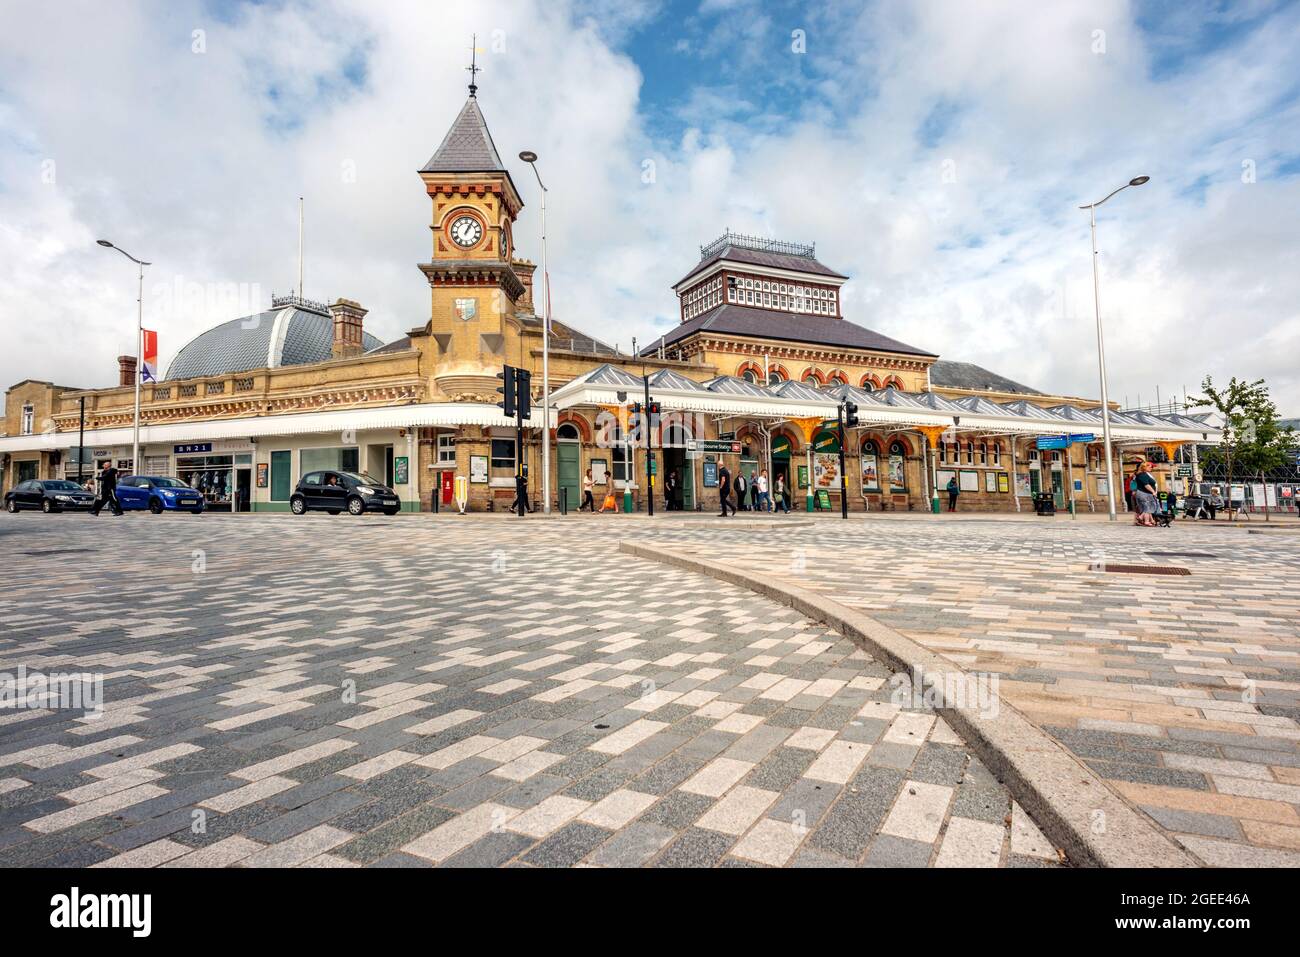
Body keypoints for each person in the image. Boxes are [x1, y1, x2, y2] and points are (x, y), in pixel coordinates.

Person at [1133, 462, 1159, 527]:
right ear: (1144, 467)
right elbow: (1146, 485)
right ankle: (1145, 520)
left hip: (1146, 494)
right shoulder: (1142, 475)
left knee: (1148, 507)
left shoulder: (1144, 474)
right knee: (1147, 508)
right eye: (1150, 466)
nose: (1151, 468)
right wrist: (1153, 491)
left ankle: (1144, 518)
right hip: (1144, 493)